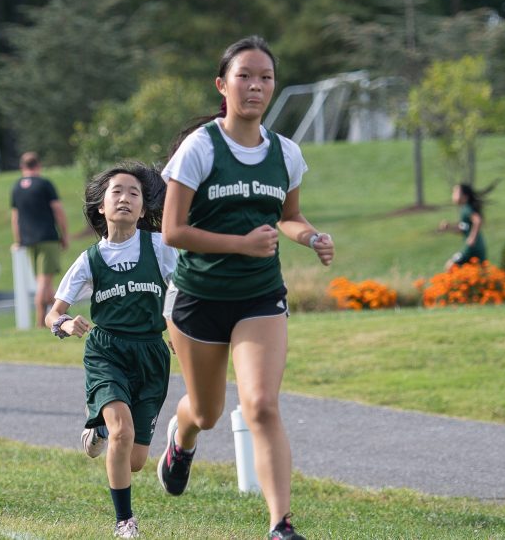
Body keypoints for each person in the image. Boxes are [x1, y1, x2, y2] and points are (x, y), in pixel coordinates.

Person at [157, 36, 334, 540]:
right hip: (197, 298)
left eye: (265, 77)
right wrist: (239, 243)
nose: (256, 86)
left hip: (259, 297)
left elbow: (289, 217)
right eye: (244, 76)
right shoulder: (200, 148)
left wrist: (312, 236)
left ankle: (280, 525)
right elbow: (173, 231)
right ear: (222, 84)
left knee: (261, 404)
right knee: (207, 412)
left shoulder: (286, 153)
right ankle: (181, 439)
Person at [44, 162, 178, 539]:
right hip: (107, 353)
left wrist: (179, 328)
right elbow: (53, 312)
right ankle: (125, 522)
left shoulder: (160, 247)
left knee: (135, 461)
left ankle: (98, 428)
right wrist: (65, 324)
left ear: (143, 208)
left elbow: (184, 291)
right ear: (101, 206)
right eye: (116, 191)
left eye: (134, 193)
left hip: (151, 355)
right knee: (122, 433)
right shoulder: (90, 259)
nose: (125, 198)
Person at [11, 151, 69, 327]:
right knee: (44, 281)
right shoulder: (44, 184)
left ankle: (62, 314)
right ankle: (40, 320)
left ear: (22, 167)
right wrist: (64, 234)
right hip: (48, 238)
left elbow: (15, 218)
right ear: (39, 166)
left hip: (28, 240)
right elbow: (57, 210)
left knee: (43, 282)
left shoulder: (16, 187)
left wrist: (18, 240)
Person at [438, 183, 489, 270]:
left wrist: (472, 238)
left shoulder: (467, 209)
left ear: (465, 196)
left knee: (450, 265)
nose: (453, 195)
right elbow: (462, 229)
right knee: (477, 273)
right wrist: (449, 227)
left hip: (471, 248)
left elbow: (478, 220)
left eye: (456, 192)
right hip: (477, 247)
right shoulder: (464, 209)